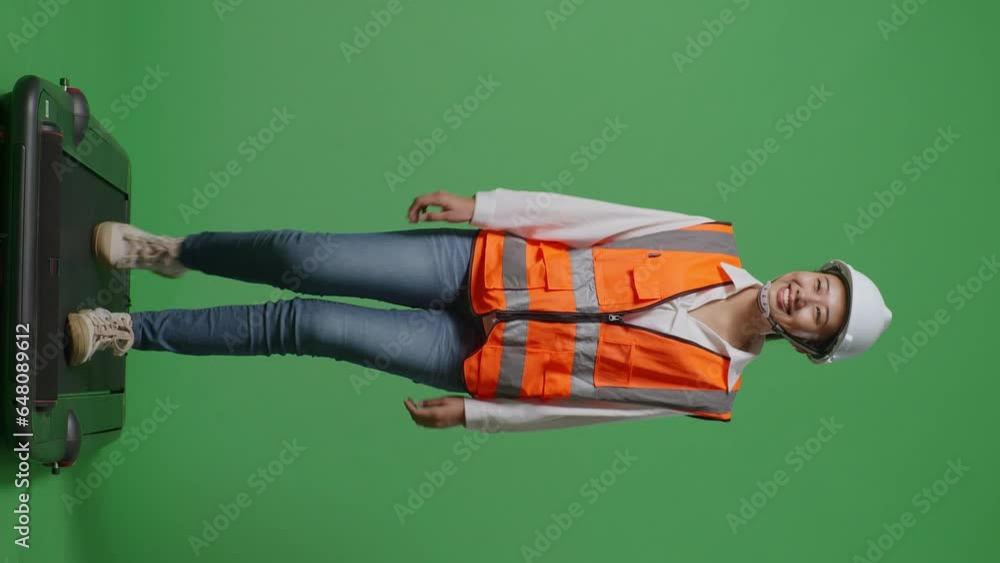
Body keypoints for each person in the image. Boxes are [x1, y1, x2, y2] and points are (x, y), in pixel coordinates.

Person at [65, 188, 892, 432]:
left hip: (478, 358)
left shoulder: (714, 393)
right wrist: (486, 202)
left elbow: (592, 411)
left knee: (307, 325)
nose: (806, 294)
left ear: (810, 343)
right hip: (481, 265)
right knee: (303, 256)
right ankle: (169, 251)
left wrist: (477, 415)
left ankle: (127, 331)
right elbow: (587, 216)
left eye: (820, 312)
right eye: (820, 282)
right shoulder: (706, 237)